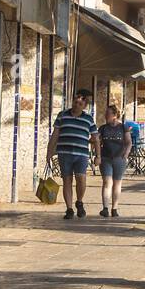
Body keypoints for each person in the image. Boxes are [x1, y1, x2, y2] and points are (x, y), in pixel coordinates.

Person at [47, 88, 99, 220]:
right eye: (75, 102)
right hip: (64, 153)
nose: (77, 105)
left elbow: (95, 137)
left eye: (80, 103)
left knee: (81, 179)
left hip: (81, 154)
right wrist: (49, 152)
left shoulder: (88, 119)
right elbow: (55, 135)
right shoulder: (62, 115)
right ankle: (69, 209)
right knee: (67, 180)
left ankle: (79, 201)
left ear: (84, 105)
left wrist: (98, 155)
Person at [97, 105, 133, 218]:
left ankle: (115, 208)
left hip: (119, 158)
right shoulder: (103, 128)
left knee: (117, 182)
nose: (105, 116)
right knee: (107, 182)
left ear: (114, 115)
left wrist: (126, 155)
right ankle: (105, 208)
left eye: (108, 114)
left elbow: (128, 142)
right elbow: (97, 140)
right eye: (105, 113)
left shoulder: (123, 128)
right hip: (106, 158)